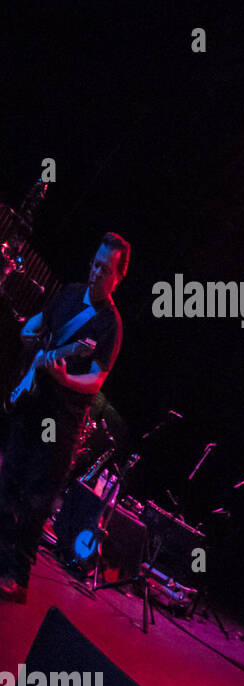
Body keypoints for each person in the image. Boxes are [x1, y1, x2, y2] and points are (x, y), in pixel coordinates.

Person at [0, 233, 127, 602]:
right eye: (95, 262)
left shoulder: (110, 326)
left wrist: (67, 377)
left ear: (118, 277)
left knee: (37, 498)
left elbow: (97, 378)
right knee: (8, 481)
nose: (95, 271)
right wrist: (29, 330)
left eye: (105, 268)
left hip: (61, 418)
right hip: (32, 401)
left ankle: (17, 576)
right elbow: (42, 322)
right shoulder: (70, 293)